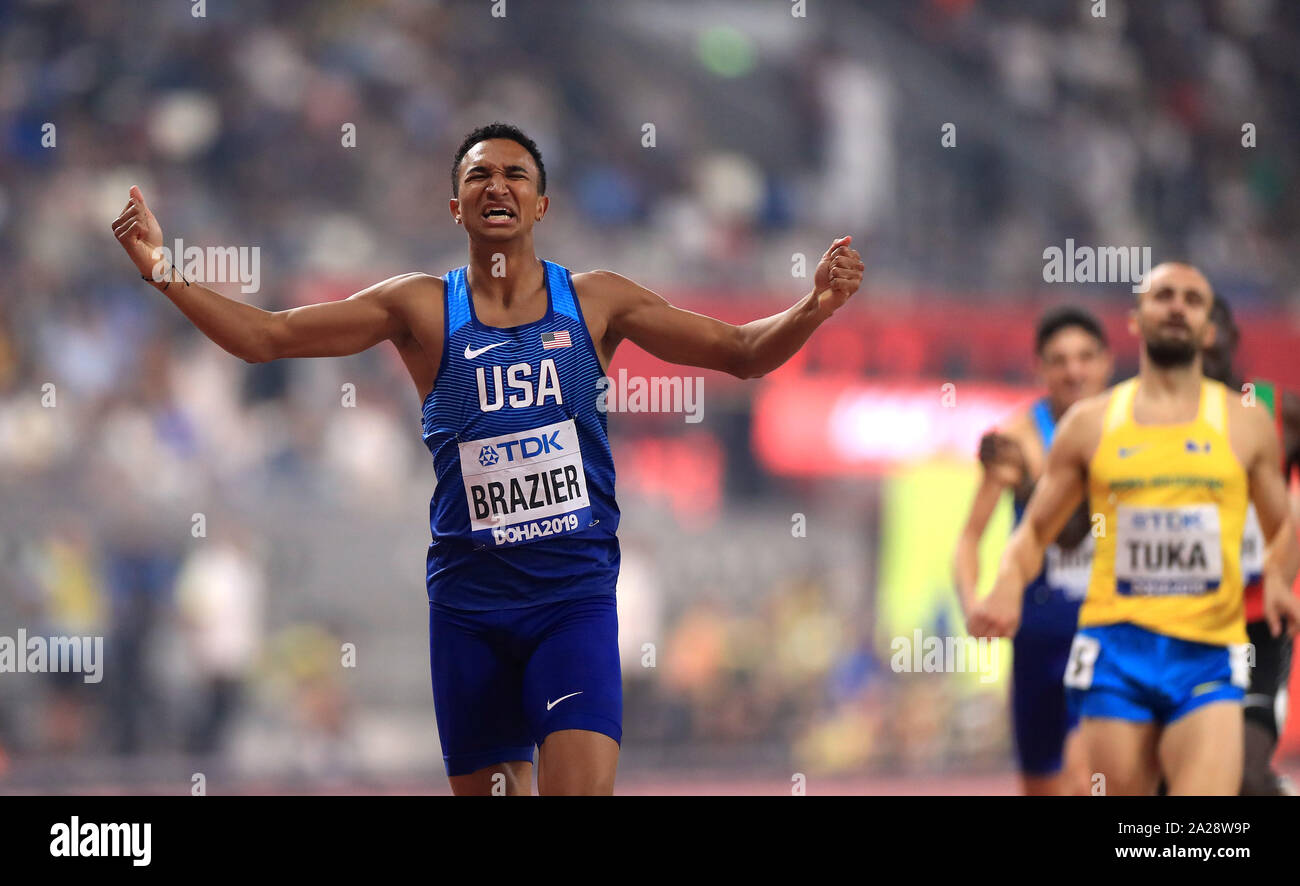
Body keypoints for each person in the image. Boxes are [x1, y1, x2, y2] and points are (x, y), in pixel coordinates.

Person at [111, 121, 865, 795]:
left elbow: (739, 353)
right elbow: (267, 337)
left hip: (572, 601)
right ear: (455, 208)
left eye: (515, 175)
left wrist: (815, 306)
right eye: (478, 175)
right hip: (470, 610)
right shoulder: (418, 309)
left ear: (541, 206)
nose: (496, 184)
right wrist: (161, 270)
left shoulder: (598, 302)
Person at [969, 262, 1300, 795]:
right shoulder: (1092, 423)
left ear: (1208, 328)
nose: (1176, 307)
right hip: (1116, 654)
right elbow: (1034, 533)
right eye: (1162, 295)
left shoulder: (1247, 425)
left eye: (1192, 300)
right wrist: (1007, 584)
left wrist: (1280, 578)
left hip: (1207, 651)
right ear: (1135, 320)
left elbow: (1286, 525)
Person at [953, 306, 1112, 794]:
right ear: (1041, 369)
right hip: (1038, 636)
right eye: (1059, 360)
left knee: (1087, 777)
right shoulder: (1017, 442)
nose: (1074, 371)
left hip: (1111, 629)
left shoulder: (1134, 432)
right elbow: (968, 540)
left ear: (1106, 362)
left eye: (1085, 357)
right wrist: (974, 605)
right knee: (1041, 784)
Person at [1201, 296, 1300, 795]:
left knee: (1245, 776)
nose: (1202, 337)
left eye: (1211, 325)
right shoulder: (1142, 418)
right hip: (1175, 623)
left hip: (1261, 620)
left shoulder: (1277, 409)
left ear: (1232, 337)